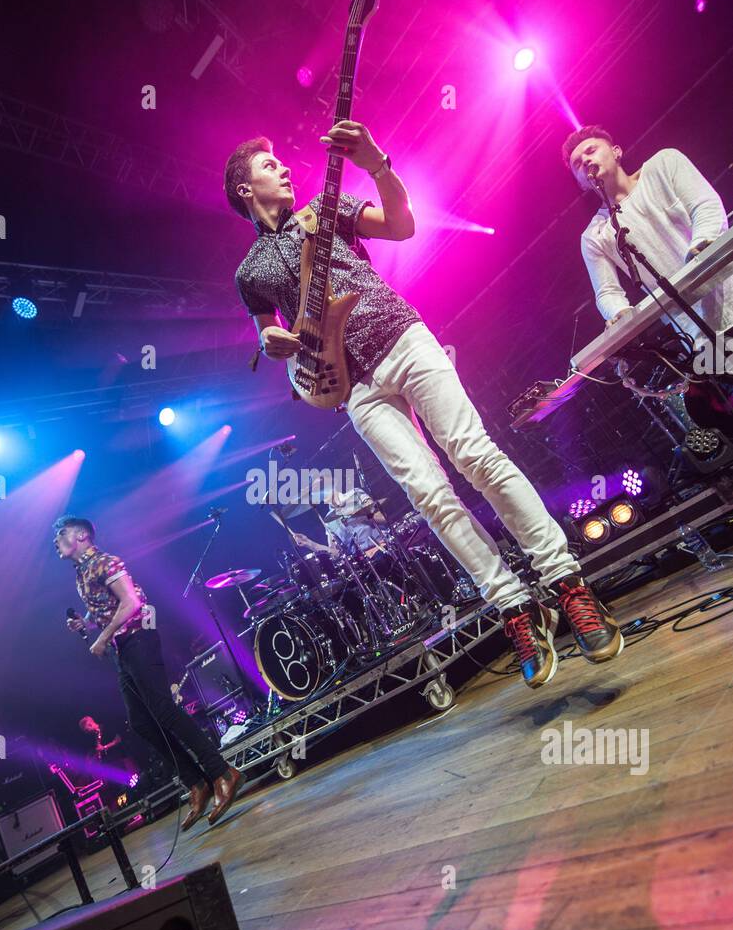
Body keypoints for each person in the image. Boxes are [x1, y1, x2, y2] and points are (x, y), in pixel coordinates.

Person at [224, 125, 623, 687]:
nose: (284, 168)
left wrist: (377, 164)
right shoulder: (250, 273)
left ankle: (567, 583)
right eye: (268, 166)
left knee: (474, 456)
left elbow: (402, 226)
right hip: (352, 387)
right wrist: (272, 344)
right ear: (245, 189)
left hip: (402, 339)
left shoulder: (325, 208)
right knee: (429, 496)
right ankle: (511, 606)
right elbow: (268, 334)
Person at [53, 516, 242, 828]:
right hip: (122, 647)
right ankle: (196, 783)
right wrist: (86, 624)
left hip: (139, 637)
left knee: (164, 711)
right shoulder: (82, 572)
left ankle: (223, 773)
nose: (56, 540)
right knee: (141, 722)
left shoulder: (105, 561)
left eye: (62, 533)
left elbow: (131, 601)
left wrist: (101, 638)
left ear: (82, 535)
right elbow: (107, 608)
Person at [564, 125, 732, 340]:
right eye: (577, 164)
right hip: (696, 332)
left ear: (616, 151)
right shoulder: (593, 236)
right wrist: (619, 312)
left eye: (591, 151)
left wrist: (700, 246)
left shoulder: (664, 163)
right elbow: (607, 292)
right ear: (581, 184)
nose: (585, 161)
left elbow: (706, 206)